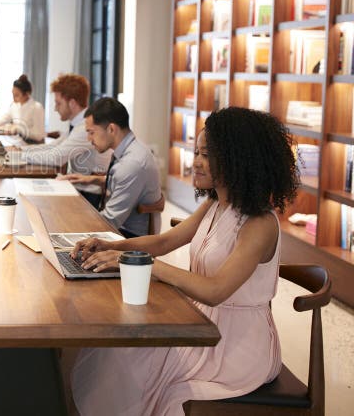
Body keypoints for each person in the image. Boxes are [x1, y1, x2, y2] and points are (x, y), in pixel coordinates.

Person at [69, 107, 299, 415]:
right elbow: (165, 241)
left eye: (207, 155)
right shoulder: (216, 204)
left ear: (238, 158)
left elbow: (216, 290)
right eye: (197, 152)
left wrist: (143, 265)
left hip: (238, 347)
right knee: (117, 351)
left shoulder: (259, 224)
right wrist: (110, 244)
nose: (197, 162)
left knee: (146, 373)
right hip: (201, 324)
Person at [58, 97, 161, 237]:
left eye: (91, 132)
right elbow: (121, 180)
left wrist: (70, 225)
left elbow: (108, 222)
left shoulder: (132, 164)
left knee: (61, 222)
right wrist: (92, 179)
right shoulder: (132, 149)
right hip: (122, 229)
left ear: (111, 129)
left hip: (129, 239)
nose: (89, 139)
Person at [9, 73, 111, 208]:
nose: (55, 108)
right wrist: (19, 150)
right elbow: (53, 147)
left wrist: (18, 155)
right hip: (78, 189)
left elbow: (56, 157)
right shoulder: (78, 124)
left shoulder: (84, 129)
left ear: (72, 103)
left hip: (88, 196)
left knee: (33, 205)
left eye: (58, 103)